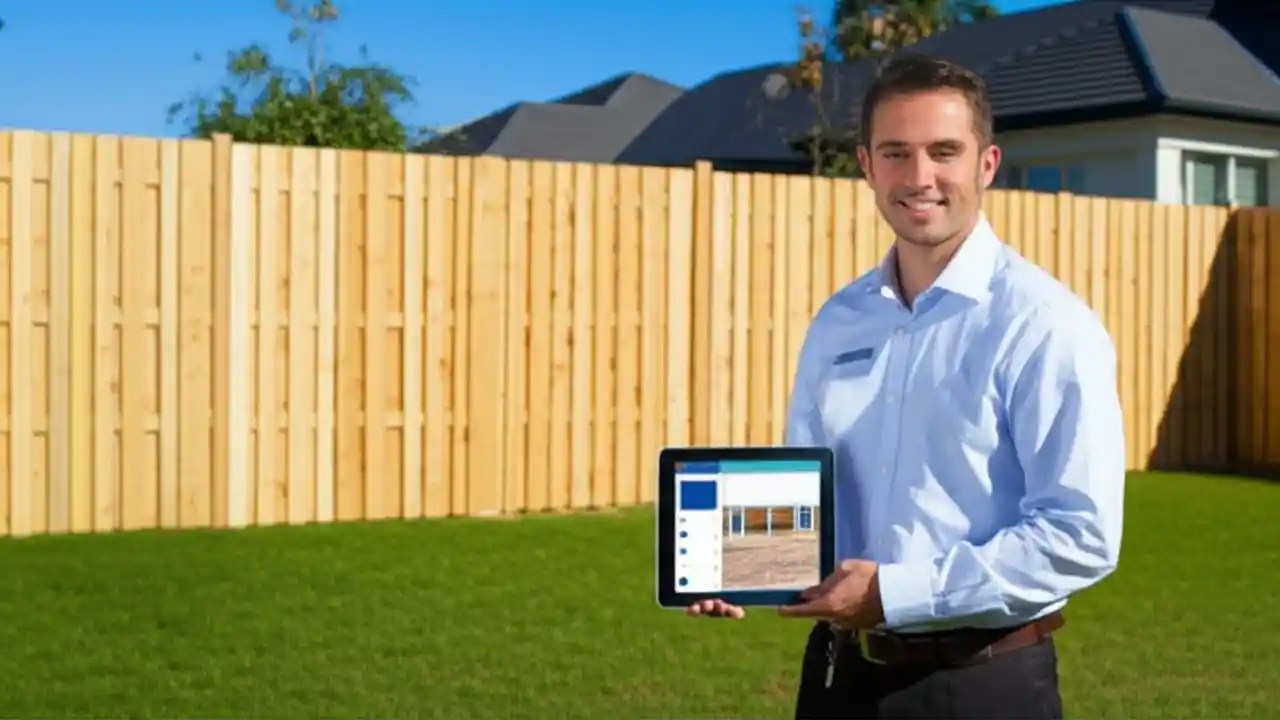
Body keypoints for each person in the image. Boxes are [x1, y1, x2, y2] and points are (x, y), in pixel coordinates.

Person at [685, 53, 1126, 719]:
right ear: (866, 165)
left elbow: (1080, 533)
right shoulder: (839, 320)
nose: (920, 178)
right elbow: (818, 488)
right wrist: (747, 566)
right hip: (840, 678)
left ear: (987, 164)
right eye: (896, 153)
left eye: (943, 151)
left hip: (980, 685)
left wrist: (895, 594)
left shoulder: (1043, 323)